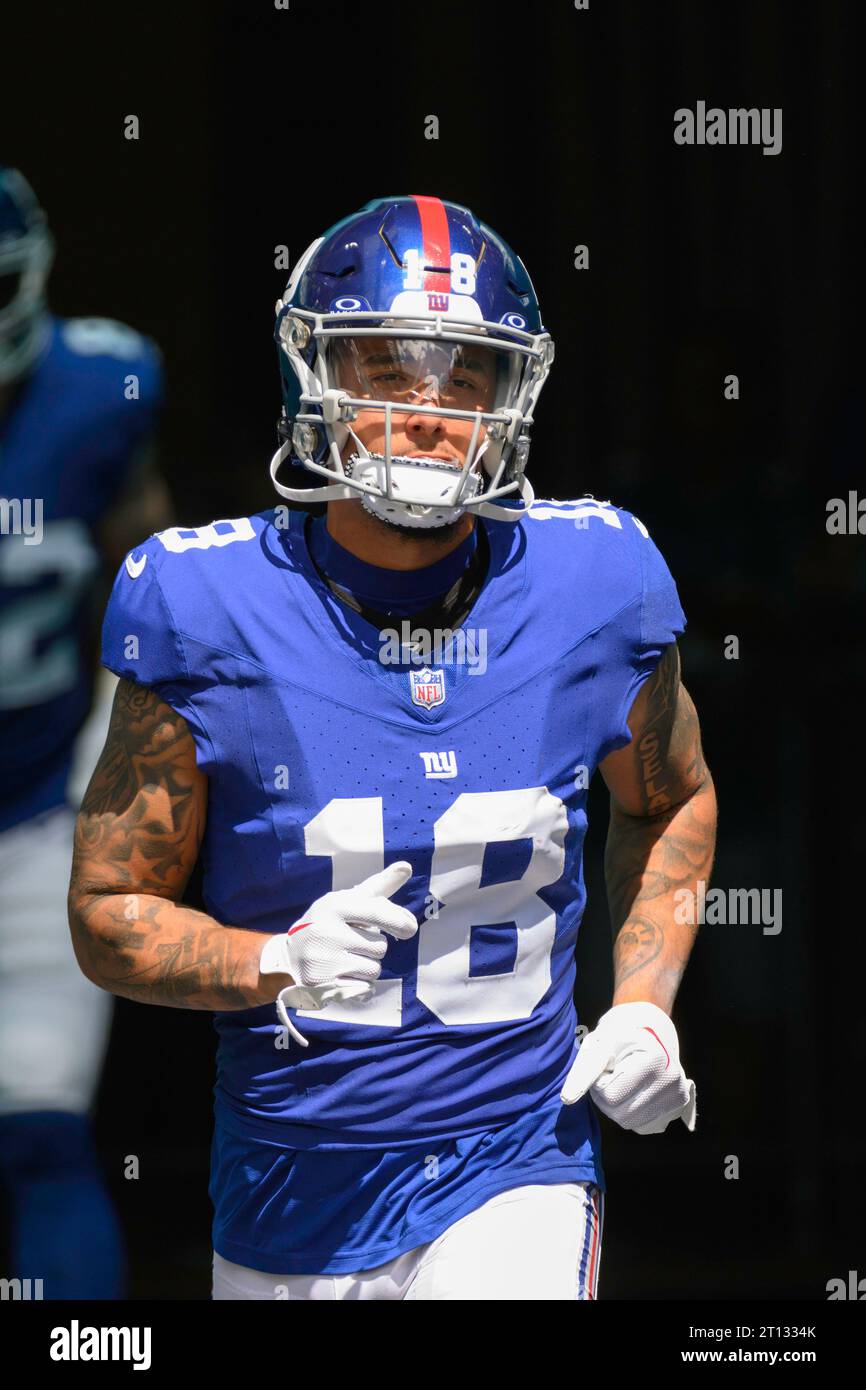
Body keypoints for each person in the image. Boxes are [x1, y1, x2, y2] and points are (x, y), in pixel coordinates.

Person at [68, 195, 716, 1300]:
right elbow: (107, 909)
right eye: (385, 372)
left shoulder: (593, 583)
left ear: (509, 399)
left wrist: (644, 997)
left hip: (513, 1159)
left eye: (463, 377)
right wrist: (266, 961)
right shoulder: (202, 603)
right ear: (313, 380)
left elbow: (668, 800)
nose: (427, 412)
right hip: (291, 1191)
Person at [0, 167, 169, 1298]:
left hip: (39, 811)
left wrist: (119, 750)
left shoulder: (105, 383)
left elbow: (148, 579)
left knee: (41, 1134)